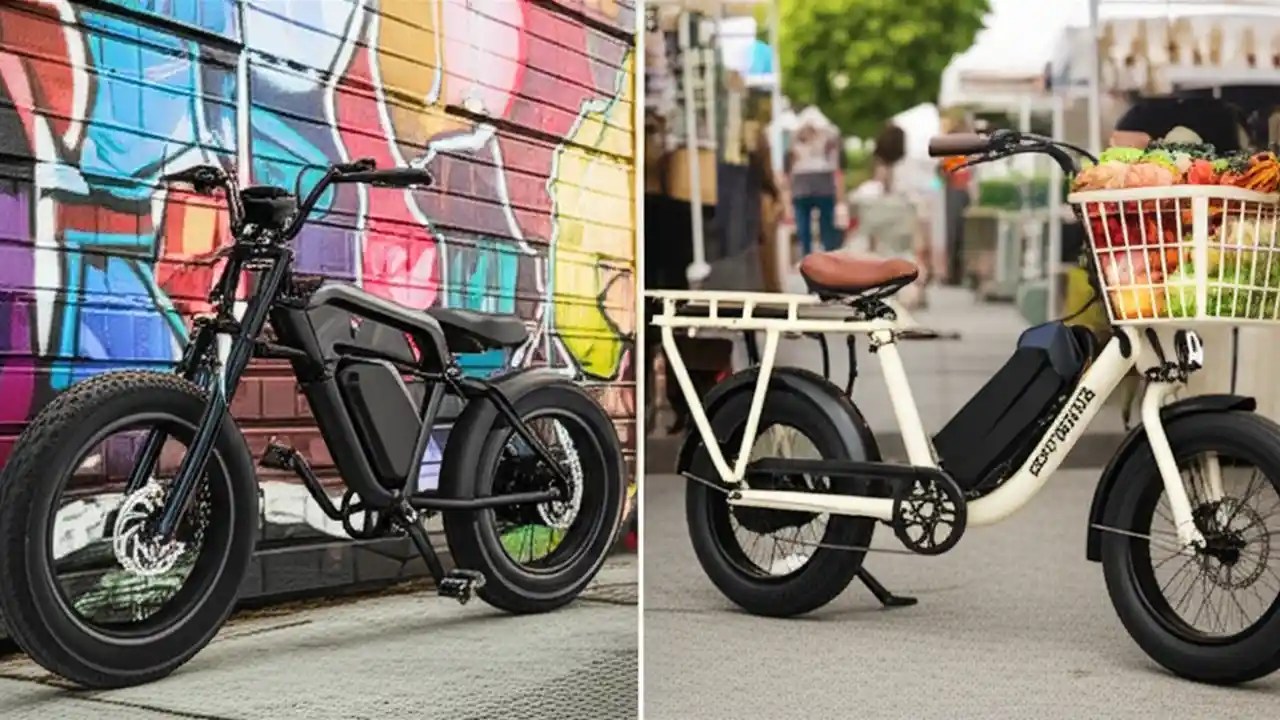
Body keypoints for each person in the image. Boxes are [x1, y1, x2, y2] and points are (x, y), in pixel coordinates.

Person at [848, 123, 929, 308]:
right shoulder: (909, 178)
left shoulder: (869, 188)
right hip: (902, 246)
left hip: (873, 246)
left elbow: (858, 215)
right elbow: (919, 218)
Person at [785, 108, 843, 257]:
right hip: (810, 187)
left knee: (823, 224)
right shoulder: (797, 146)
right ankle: (810, 254)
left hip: (814, 186)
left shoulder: (824, 144)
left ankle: (827, 253)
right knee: (806, 227)